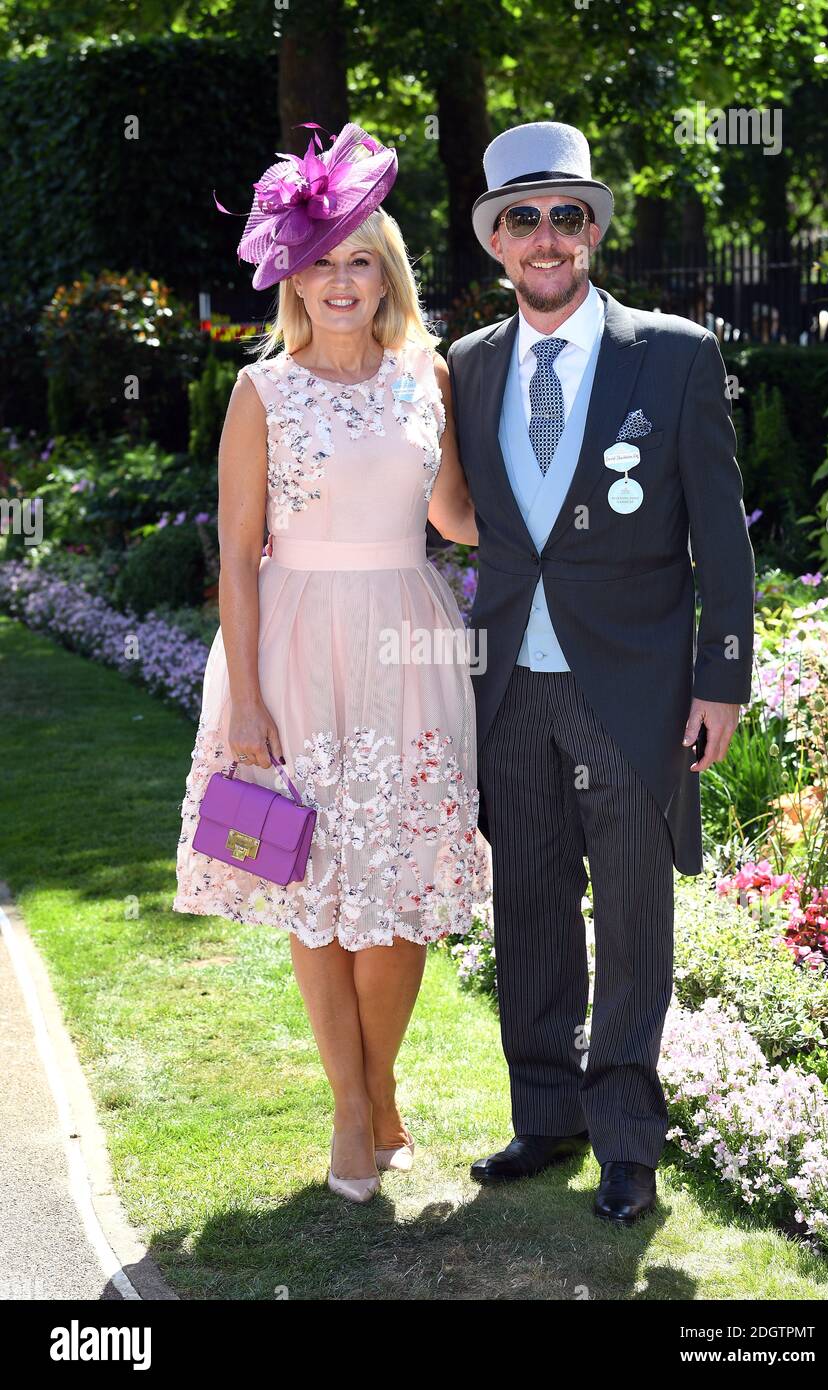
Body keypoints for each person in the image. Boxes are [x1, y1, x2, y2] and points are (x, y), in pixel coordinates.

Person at [173, 122, 490, 1204]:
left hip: (410, 640)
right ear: (292, 277)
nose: (340, 280)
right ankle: (352, 1111)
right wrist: (248, 697)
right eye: (321, 262)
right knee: (312, 879)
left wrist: (565, 508)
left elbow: (452, 515)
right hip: (296, 645)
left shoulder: (428, 375)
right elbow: (238, 555)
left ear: (387, 273)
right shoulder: (262, 391)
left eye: (361, 259)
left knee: (397, 887)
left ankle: (382, 1084)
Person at [446, 121, 755, 1222]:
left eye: (565, 216)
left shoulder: (671, 354)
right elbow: (463, 524)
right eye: (521, 219)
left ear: (591, 233)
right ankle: (547, 1115)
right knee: (525, 899)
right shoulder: (468, 366)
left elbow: (722, 536)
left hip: (632, 685)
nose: (545, 238)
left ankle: (627, 1137)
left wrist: (719, 680)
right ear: (495, 241)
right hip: (509, 685)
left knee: (631, 915)